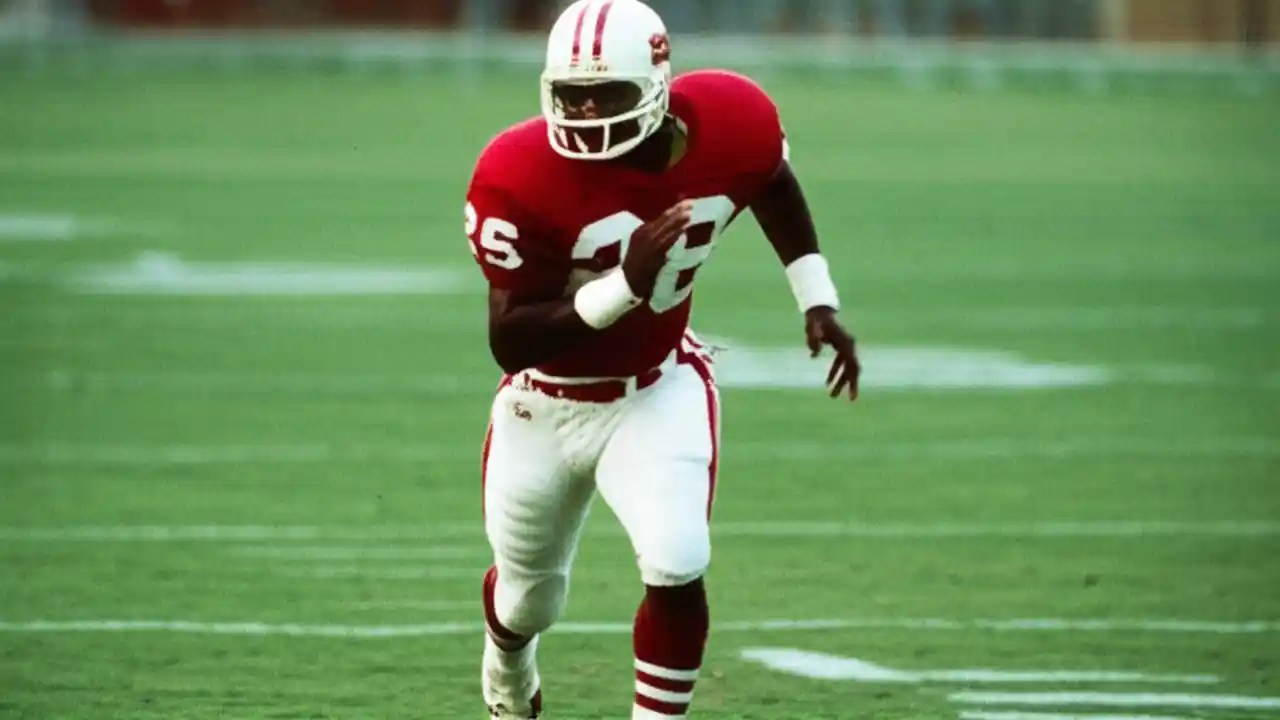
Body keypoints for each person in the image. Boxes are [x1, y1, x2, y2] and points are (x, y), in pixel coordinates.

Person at [464, 1, 861, 717]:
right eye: (572, 95)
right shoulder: (517, 170)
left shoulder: (731, 121)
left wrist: (816, 297)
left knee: (678, 559)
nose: (586, 113)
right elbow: (511, 338)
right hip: (542, 400)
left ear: (655, 86)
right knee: (528, 601)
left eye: (606, 94)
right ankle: (507, 668)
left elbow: (770, 178)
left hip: (657, 386)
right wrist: (626, 286)